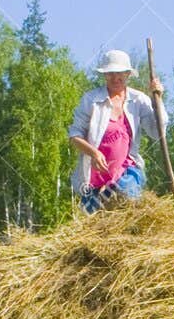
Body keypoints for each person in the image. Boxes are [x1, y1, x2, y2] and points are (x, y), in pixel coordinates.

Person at [67, 48, 166, 213]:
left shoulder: (139, 100)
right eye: (110, 73)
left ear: (128, 74)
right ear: (104, 75)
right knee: (95, 219)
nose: (115, 78)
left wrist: (158, 100)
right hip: (94, 177)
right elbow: (74, 135)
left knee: (127, 203)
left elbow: (157, 133)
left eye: (120, 73)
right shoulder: (91, 100)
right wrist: (94, 153)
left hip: (126, 171)